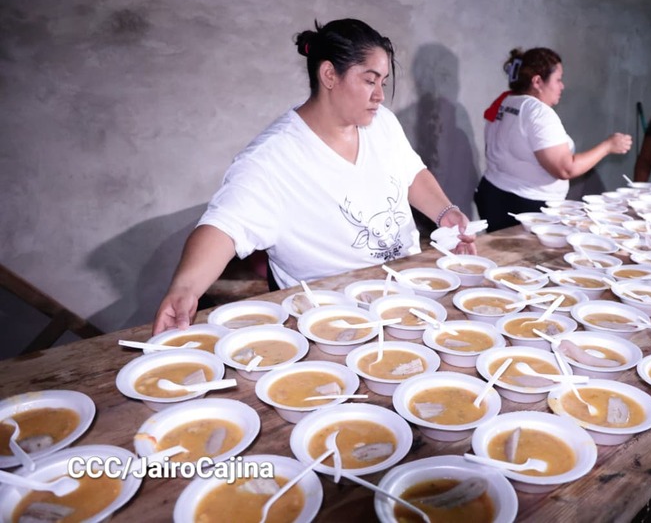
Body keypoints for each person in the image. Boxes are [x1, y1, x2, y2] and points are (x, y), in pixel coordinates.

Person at [153, 18, 475, 334]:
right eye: (369, 80)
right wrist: (185, 289)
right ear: (329, 75)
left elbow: (411, 174)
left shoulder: (383, 124)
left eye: (383, 82)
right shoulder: (272, 158)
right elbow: (222, 229)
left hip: (406, 296)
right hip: (330, 318)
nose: (379, 95)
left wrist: (445, 212)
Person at [475, 47, 632, 232]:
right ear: (537, 81)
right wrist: (608, 146)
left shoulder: (506, 102)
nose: (562, 86)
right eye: (558, 79)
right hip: (527, 208)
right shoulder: (538, 112)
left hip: (494, 196)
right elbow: (565, 168)